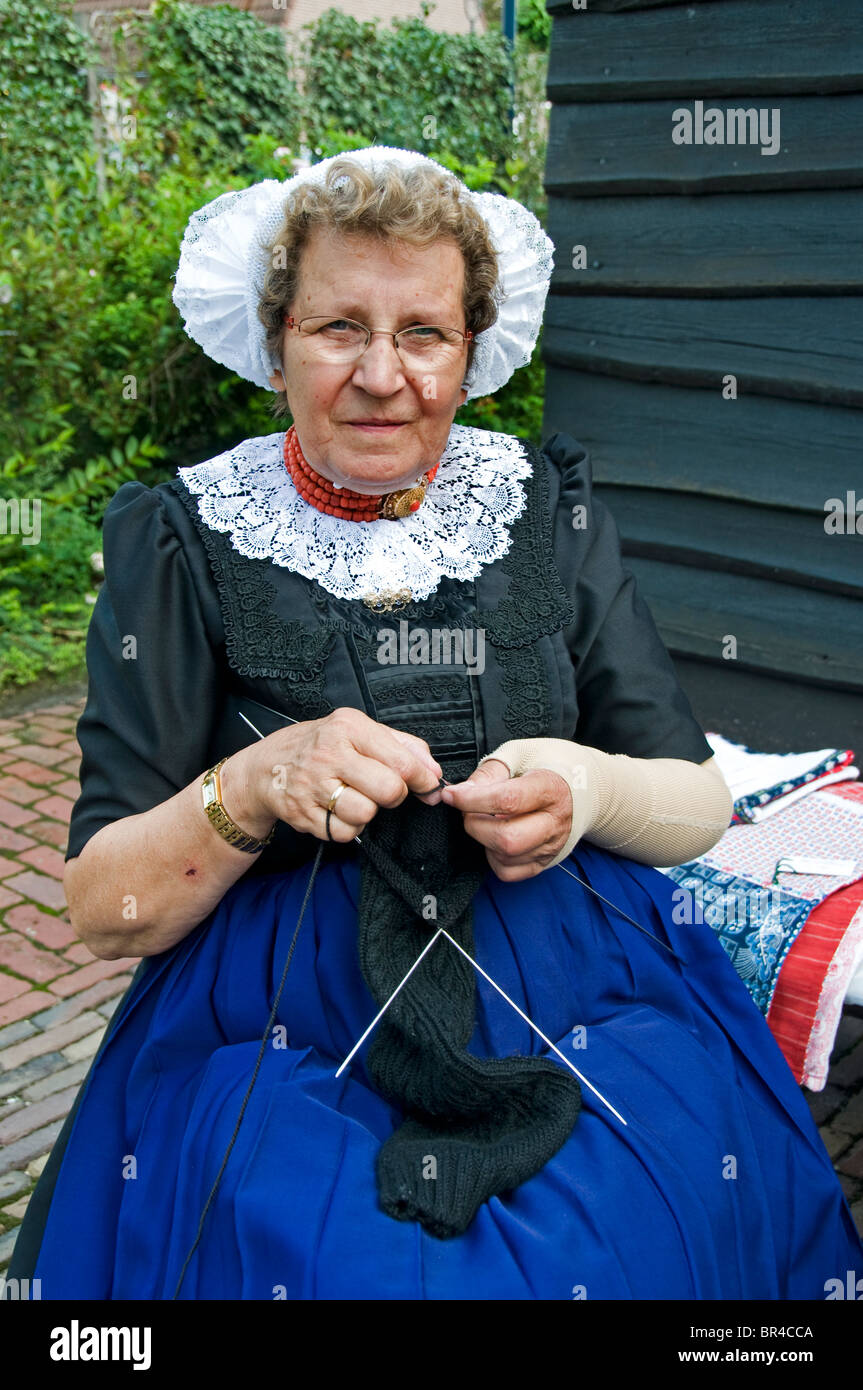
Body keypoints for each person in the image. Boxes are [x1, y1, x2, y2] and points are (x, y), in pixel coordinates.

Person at [9, 147, 862, 1301]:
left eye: (422, 333)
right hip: (279, 1009)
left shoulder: (539, 508)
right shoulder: (180, 539)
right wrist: (252, 784)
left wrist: (586, 788)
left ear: (471, 352)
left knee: (667, 1212)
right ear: (274, 343)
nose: (380, 374)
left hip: (569, 966)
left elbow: (696, 800)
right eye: (336, 329)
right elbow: (106, 906)